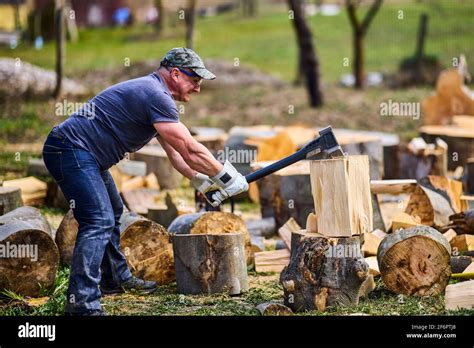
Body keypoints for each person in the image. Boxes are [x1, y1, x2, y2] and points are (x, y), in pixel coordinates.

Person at [42, 47, 249, 316]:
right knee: (98, 220)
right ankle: (81, 304)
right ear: (175, 74)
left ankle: (113, 277)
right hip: (70, 150)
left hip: (85, 155)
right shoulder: (156, 95)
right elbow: (190, 147)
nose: (198, 89)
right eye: (195, 81)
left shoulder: (156, 96)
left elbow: (176, 153)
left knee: (114, 213)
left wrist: (200, 181)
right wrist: (226, 176)